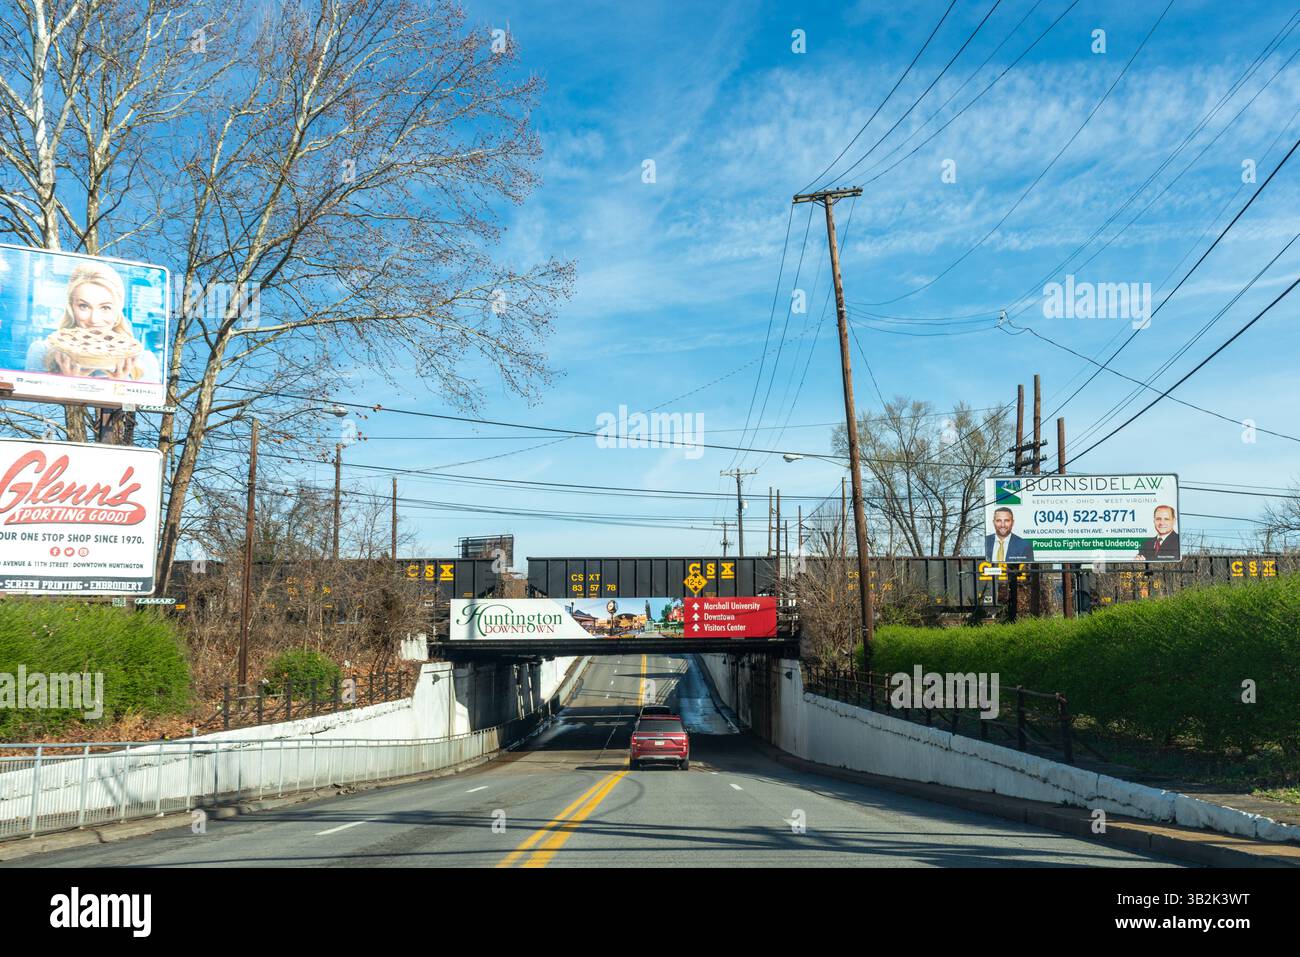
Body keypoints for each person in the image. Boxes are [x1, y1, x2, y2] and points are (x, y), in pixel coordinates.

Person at [24, 262, 159, 381]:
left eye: (105, 307)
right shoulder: (42, 352)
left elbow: (145, 409)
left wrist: (121, 388)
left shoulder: (145, 361)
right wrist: (68, 384)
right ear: (71, 308)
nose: (94, 319)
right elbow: (34, 407)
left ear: (118, 310)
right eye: (84, 306)